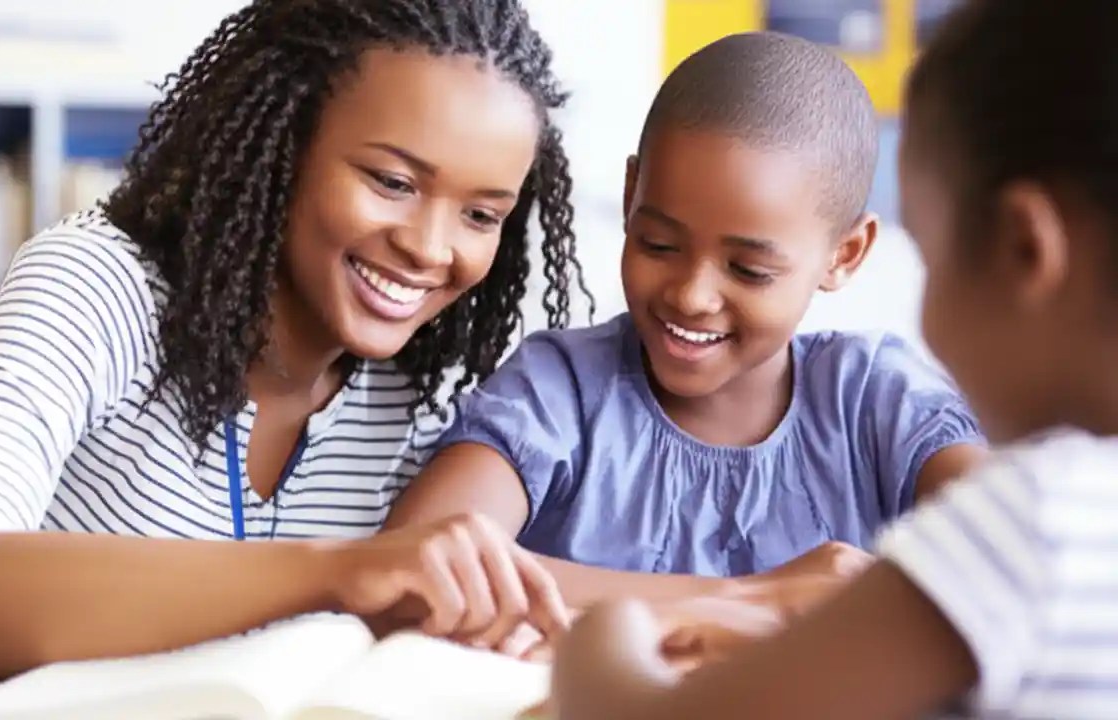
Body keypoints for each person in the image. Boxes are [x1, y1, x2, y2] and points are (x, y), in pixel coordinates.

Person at [0, 0, 593, 713]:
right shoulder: (99, 285)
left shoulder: (419, 389)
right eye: (392, 182)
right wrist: (334, 571)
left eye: (480, 215)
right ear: (286, 143)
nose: (430, 248)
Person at [551, 1, 1118, 718]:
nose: (695, 295)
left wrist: (611, 633)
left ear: (1022, 251)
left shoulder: (1036, 521)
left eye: (930, 253)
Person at [386, 32, 984, 619]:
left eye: (748, 270)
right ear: (630, 196)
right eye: (659, 244)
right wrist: (748, 599)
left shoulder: (878, 403)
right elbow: (416, 563)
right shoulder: (559, 393)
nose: (692, 296)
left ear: (845, 254)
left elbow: (1020, 557)